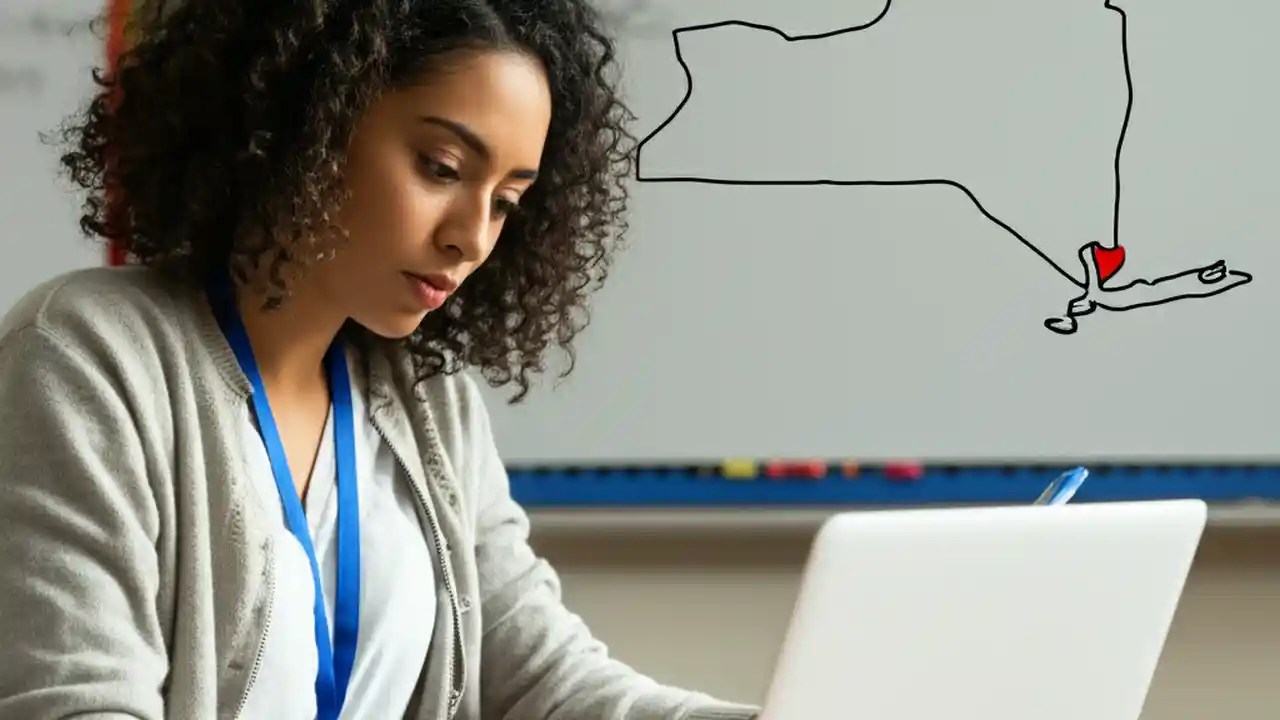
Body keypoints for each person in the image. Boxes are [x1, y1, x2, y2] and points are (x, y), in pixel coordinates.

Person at [0, 1, 760, 718]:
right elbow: (77, 698)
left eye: (506, 201)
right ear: (310, 115)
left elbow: (542, 679)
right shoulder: (84, 356)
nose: (472, 237)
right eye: (441, 167)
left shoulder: (431, 400)